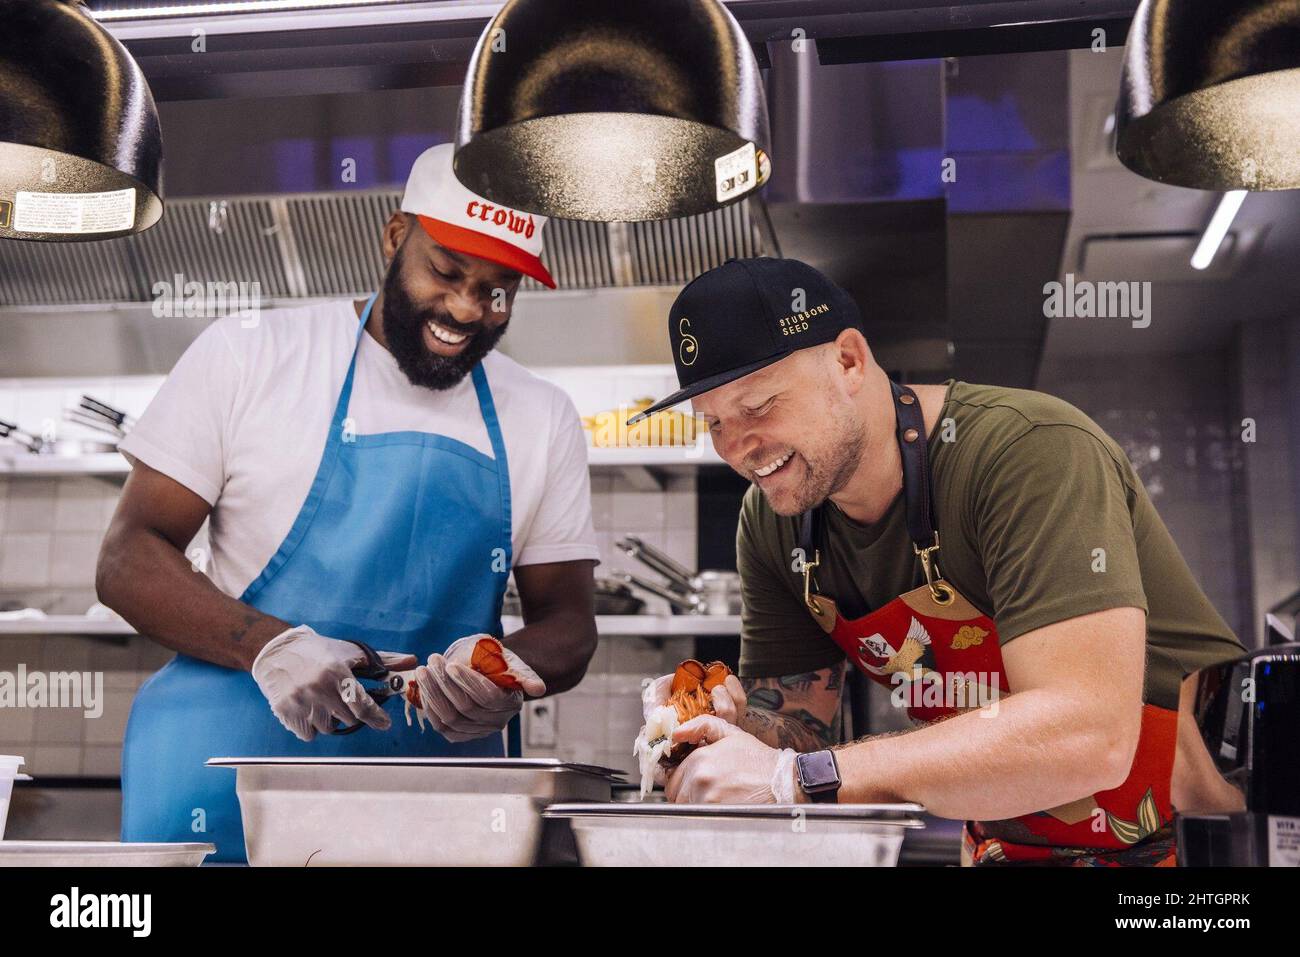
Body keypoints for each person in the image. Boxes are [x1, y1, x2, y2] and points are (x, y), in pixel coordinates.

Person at [632, 257, 1243, 866]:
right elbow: (798, 732)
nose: (737, 449)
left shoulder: (1030, 453)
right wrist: (728, 726)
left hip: (1190, 847)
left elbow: (1088, 736)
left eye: (758, 406)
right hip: (1000, 847)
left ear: (848, 360)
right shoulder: (772, 520)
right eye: (713, 423)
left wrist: (799, 776)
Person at [98, 144, 599, 861]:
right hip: (225, 793)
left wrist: (503, 668)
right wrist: (271, 646)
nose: (466, 307)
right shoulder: (253, 355)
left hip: (436, 819)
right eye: (447, 271)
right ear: (395, 237)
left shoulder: (541, 415)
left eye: (499, 288)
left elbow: (570, 624)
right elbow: (128, 556)